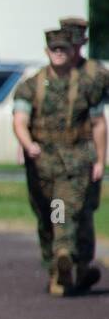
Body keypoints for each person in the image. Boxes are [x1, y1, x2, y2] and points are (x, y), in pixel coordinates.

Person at [12, 27, 106, 295]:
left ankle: (64, 257)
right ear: (47, 52)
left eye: (64, 49)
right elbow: (20, 120)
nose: (60, 54)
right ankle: (58, 265)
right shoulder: (32, 85)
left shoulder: (88, 83)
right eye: (55, 49)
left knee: (63, 210)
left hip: (75, 160)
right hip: (42, 162)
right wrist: (27, 144)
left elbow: (99, 123)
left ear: (73, 51)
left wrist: (100, 159)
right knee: (46, 215)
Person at [60, 16, 107, 286]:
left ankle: (78, 263)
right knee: (58, 209)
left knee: (84, 209)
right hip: (55, 158)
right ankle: (62, 258)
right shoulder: (50, 74)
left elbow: (99, 122)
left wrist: (100, 159)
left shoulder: (96, 75)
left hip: (84, 155)